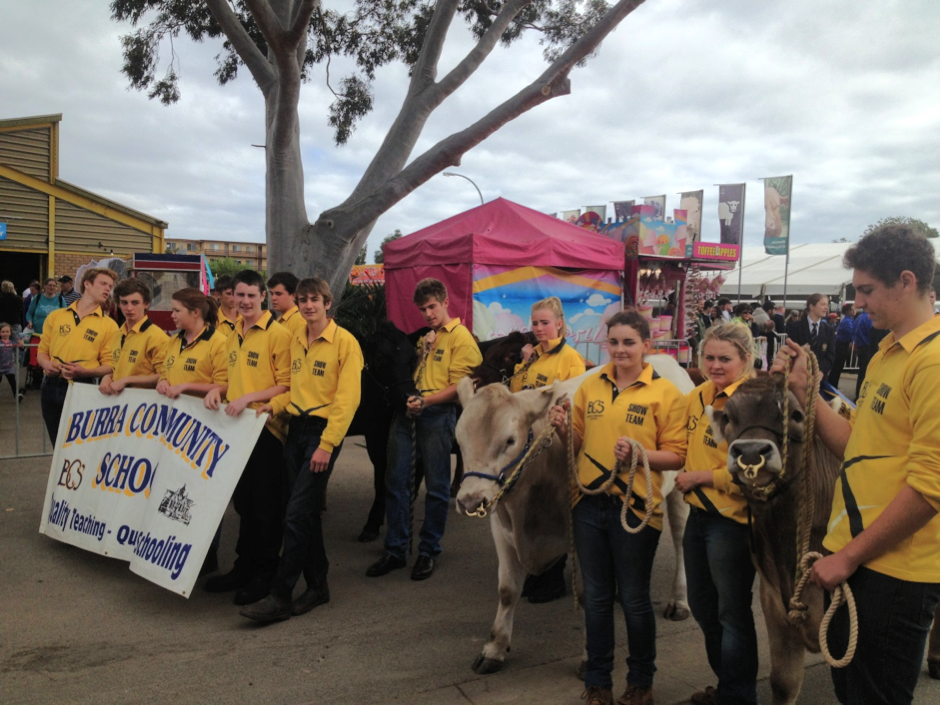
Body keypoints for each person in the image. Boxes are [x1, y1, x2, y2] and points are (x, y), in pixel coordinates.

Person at [773, 224, 939, 706]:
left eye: (866, 290)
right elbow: (857, 445)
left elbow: (931, 487)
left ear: (906, 281)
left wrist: (848, 556)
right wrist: (806, 392)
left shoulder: (932, 363)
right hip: (859, 562)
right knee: (853, 692)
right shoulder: (890, 353)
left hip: (894, 574)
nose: (858, 302)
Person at [549, 310, 686, 706]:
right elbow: (575, 445)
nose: (621, 349)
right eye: (614, 342)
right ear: (605, 345)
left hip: (636, 507)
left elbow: (677, 456)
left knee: (635, 598)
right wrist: (561, 429)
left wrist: (639, 453)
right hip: (589, 504)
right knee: (594, 598)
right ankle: (598, 682)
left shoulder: (665, 394)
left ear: (647, 346)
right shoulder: (590, 387)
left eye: (629, 342)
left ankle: (641, 682)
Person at [240, 277, 364, 623]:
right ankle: (318, 586)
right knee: (303, 513)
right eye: (304, 300)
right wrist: (273, 405)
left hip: (322, 435)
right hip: (296, 429)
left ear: (328, 303)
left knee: (295, 514)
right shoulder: (297, 338)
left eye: (316, 300)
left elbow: (347, 400)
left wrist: (326, 445)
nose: (309, 305)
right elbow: (295, 388)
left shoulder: (345, 344)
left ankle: (280, 594)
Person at [367, 278, 482, 581]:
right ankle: (395, 548)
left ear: (445, 302)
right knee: (396, 482)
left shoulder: (462, 339)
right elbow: (412, 373)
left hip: (437, 415)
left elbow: (459, 387)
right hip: (408, 412)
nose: (428, 314)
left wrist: (425, 400)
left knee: (437, 488)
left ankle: (428, 551)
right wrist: (420, 355)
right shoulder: (425, 338)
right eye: (422, 309)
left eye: (432, 306)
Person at [673, 323, 759, 705]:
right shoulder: (697, 396)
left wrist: (700, 477)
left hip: (733, 523)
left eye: (725, 358)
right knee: (705, 609)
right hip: (698, 518)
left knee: (732, 614)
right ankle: (728, 688)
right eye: (709, 357)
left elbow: (758, 472)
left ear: (746, 359)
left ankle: (740, 697)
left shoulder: (753, 402)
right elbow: (679, 449)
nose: (715, 365)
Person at [204, 270, 292, 605]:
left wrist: (248, 399)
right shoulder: (232, 333)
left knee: (266, 508)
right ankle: (244, 566)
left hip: (265, 430)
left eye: (251, 296)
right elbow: (231, 379)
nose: (244, 301)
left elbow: (286, 384)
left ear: (263, 298)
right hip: (237, 431)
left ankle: (265, 574)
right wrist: (218, 390)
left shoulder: (279, 335)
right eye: (239, 295)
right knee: (244, 503)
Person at [510, 296, 586, 603]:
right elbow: (517, 395)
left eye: (545, 323)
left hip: (554, 442)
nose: (539, 329)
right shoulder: (533, 357)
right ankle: (537, 570)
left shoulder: (571, 359)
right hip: (529, 445)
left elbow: (573, 403)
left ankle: (554, 576)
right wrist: (524, 362)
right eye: (535, 323)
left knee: (553, 507)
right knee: (532, 508)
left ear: (559, 323)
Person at [37, 268, 119, 443]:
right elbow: (42, 352)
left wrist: (84, 372)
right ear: (87, 284)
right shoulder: (56, 316)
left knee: (78, 447)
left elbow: (111, 365)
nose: (107, 289)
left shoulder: (109, 325)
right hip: (51, 387)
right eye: (103, 284)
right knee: (57, 446)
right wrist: (46, 364)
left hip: (82, 388)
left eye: (110, 286)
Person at [155, 288, 228, 400]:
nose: (172, 315)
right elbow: (165, 372)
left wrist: (186, 387)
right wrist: (163, 381)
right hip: (174, 413)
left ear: (195, 313)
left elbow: (223, 386)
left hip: (203, 414)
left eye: (177, 311)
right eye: (172, 310)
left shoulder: (219, 343)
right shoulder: (174, 340)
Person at [99, 279, 168, 395]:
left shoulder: (156, 336)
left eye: (135, 303)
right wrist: (108, 377)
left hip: (144, 404)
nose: (129, 308)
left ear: (146, 304)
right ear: (118, 303)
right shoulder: (117, 334)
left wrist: (127, 380)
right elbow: (119, 368)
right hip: (117, 404)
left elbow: (165, 376)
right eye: (124, 303)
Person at [785, 293, 835, 379]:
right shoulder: (794, 327)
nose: (826, 308)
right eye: (823, 304)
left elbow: (830, 355)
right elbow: (792, 353)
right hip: (800, 377)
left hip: (820, 379)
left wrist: (821, 371)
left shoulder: (829, 330)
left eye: (827, 305)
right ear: (812, 306)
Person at [267, 271, 306, 336]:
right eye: (271, 294)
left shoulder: (299, 319)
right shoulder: (281, 318)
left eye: (278, 294)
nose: (273, 298)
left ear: (294, 296)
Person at [827, 303, 856, 387]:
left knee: (838, 367)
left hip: (843, 344)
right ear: (847, 311)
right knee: (837, 367)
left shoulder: (849, 320)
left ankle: (833, 384)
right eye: (852, 309)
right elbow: (853, 332)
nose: (854, 311)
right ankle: (832, 385)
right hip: (841, 345)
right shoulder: (847, 321)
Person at [852, 309, 872, 401]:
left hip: (860, 348)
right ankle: (863, 396)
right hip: (868, 348)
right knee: (867, 374)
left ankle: (858, 394)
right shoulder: (869, 318)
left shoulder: (859, 318)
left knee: (861, 373)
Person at [0, 322, 24, 401]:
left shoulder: (12, 343)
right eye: (3, 332)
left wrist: (21, 345)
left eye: (7, 332)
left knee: (13, 382)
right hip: (0, 366)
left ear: (10, 333)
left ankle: (17, 395)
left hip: (9, 367)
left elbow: (19, 350)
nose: (5, 334)